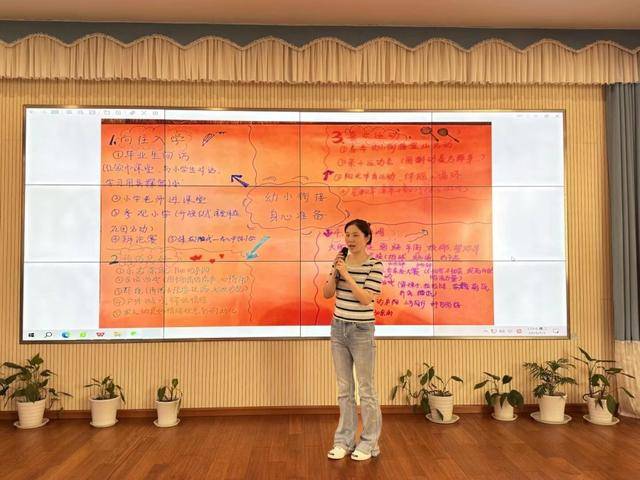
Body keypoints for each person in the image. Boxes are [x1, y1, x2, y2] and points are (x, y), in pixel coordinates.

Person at [322, 219, 384, 461]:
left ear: (367, 238)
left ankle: (369, 443)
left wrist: (347, 275)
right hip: (338, 329)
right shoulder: (340, 262)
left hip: (361, 331)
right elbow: (327, 293)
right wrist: (335, 272)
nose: (350, 239)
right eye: (347, 234)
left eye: (356, 235)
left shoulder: (375, 265)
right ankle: (343, 441)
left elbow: (365, 299)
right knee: (344, 389)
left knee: (366, 390)